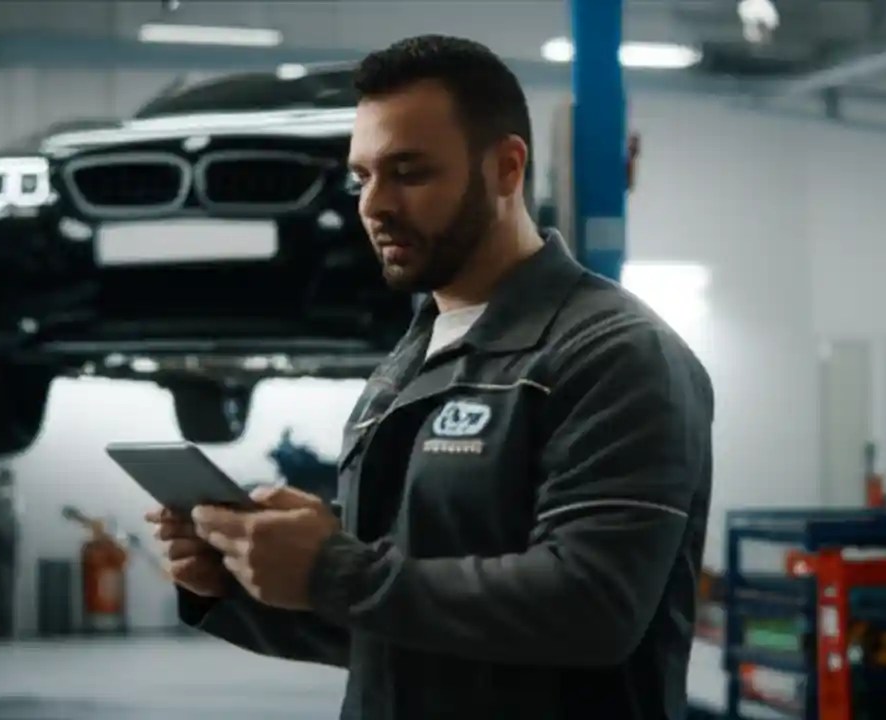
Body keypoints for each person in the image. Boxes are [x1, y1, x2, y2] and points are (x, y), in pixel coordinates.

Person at [146, 34, 714, 720]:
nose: (374, 206)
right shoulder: (405, 368)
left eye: (409, 172)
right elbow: (395, 621)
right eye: (363, 177)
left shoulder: (615, 353)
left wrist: (331, 570)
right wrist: (236, 582)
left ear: (506, 168)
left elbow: (593, 606)